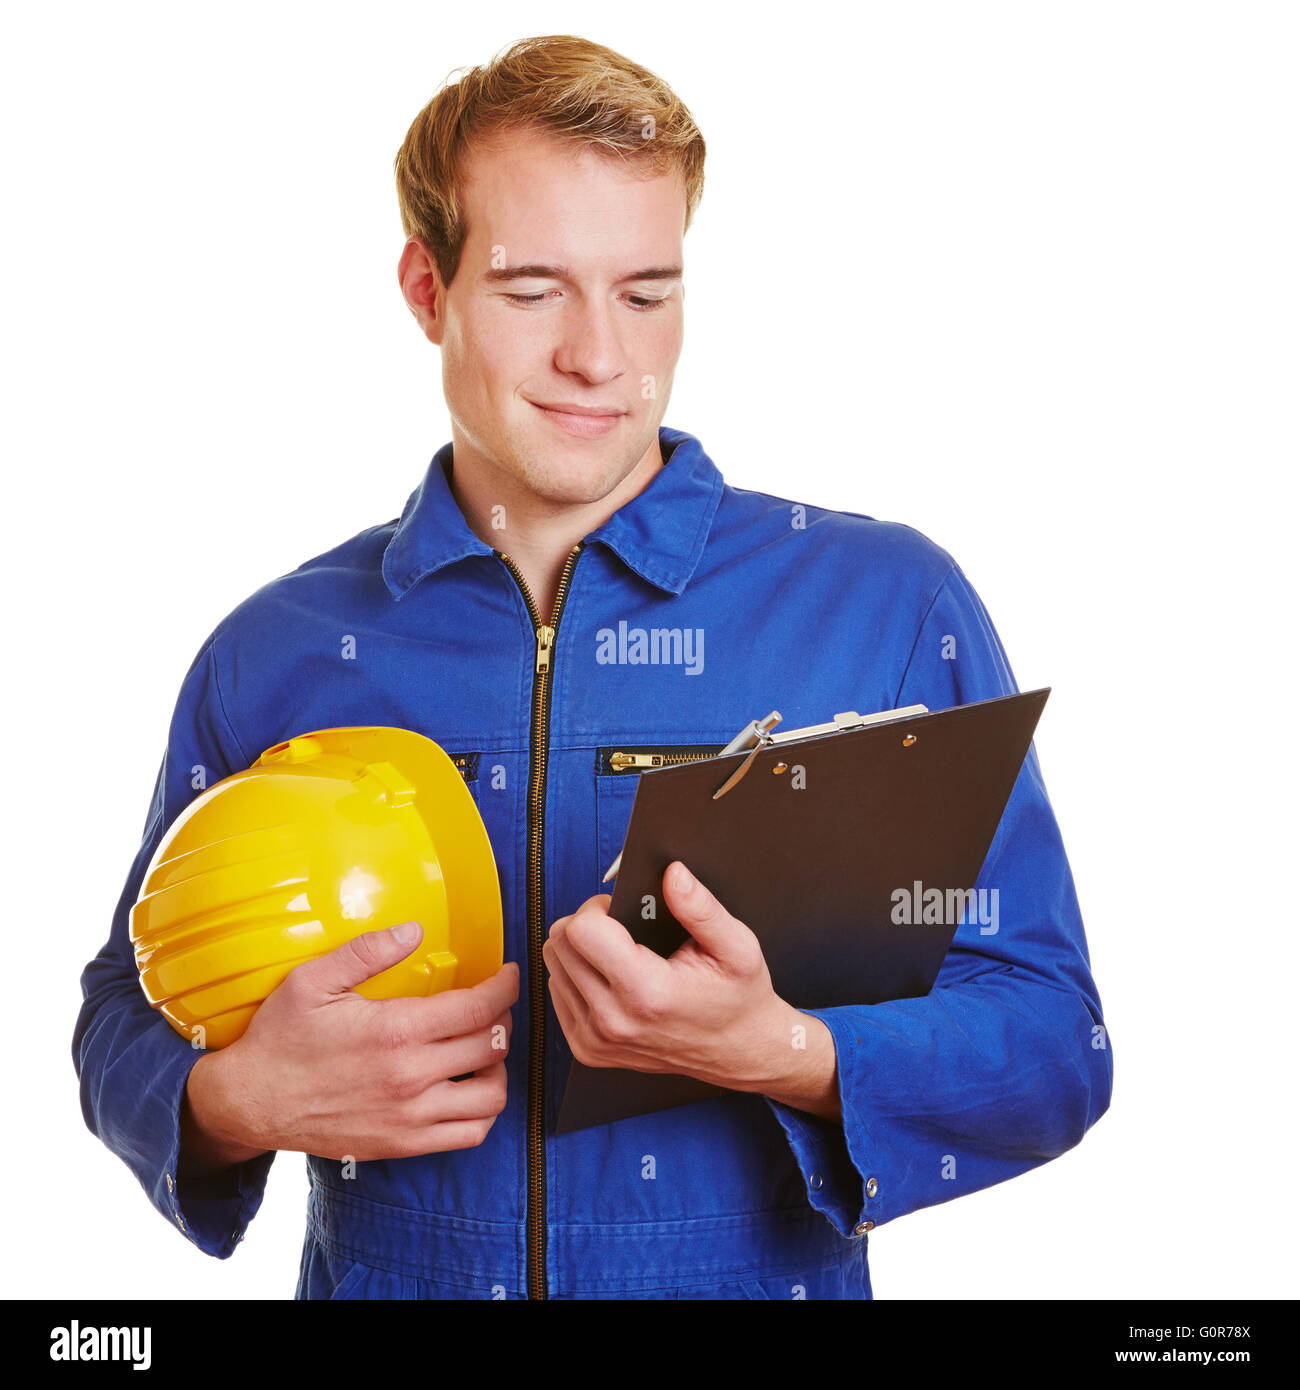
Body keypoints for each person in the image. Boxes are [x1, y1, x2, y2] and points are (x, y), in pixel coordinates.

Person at [73, 33, 1112, 1301]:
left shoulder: (883, 606)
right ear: (424, 287)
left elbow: (1055, 1040)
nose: (599, 356)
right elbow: (126, 1003)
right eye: (530, 290)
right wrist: (229, 1099)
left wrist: (783, 1049)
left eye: (645, 289)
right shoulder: (277, 650)